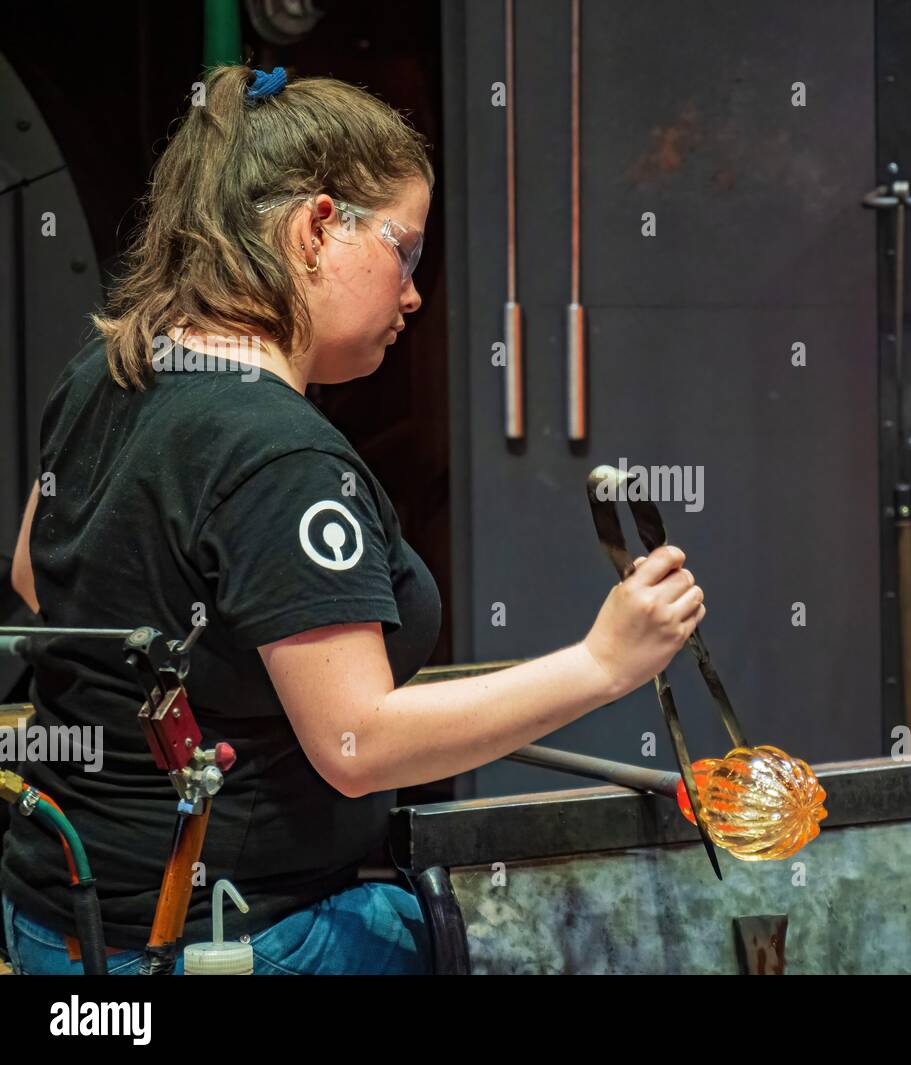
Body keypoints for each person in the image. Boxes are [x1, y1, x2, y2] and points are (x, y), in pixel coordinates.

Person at [0, 65, 704, 975]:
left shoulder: (105, 372)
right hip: (231, 941)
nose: (414, 294)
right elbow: (356, 743)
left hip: (54, 925)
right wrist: (603, 663)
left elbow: (32, 571)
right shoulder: (281, 454)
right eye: (405, 252)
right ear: (317, 226)